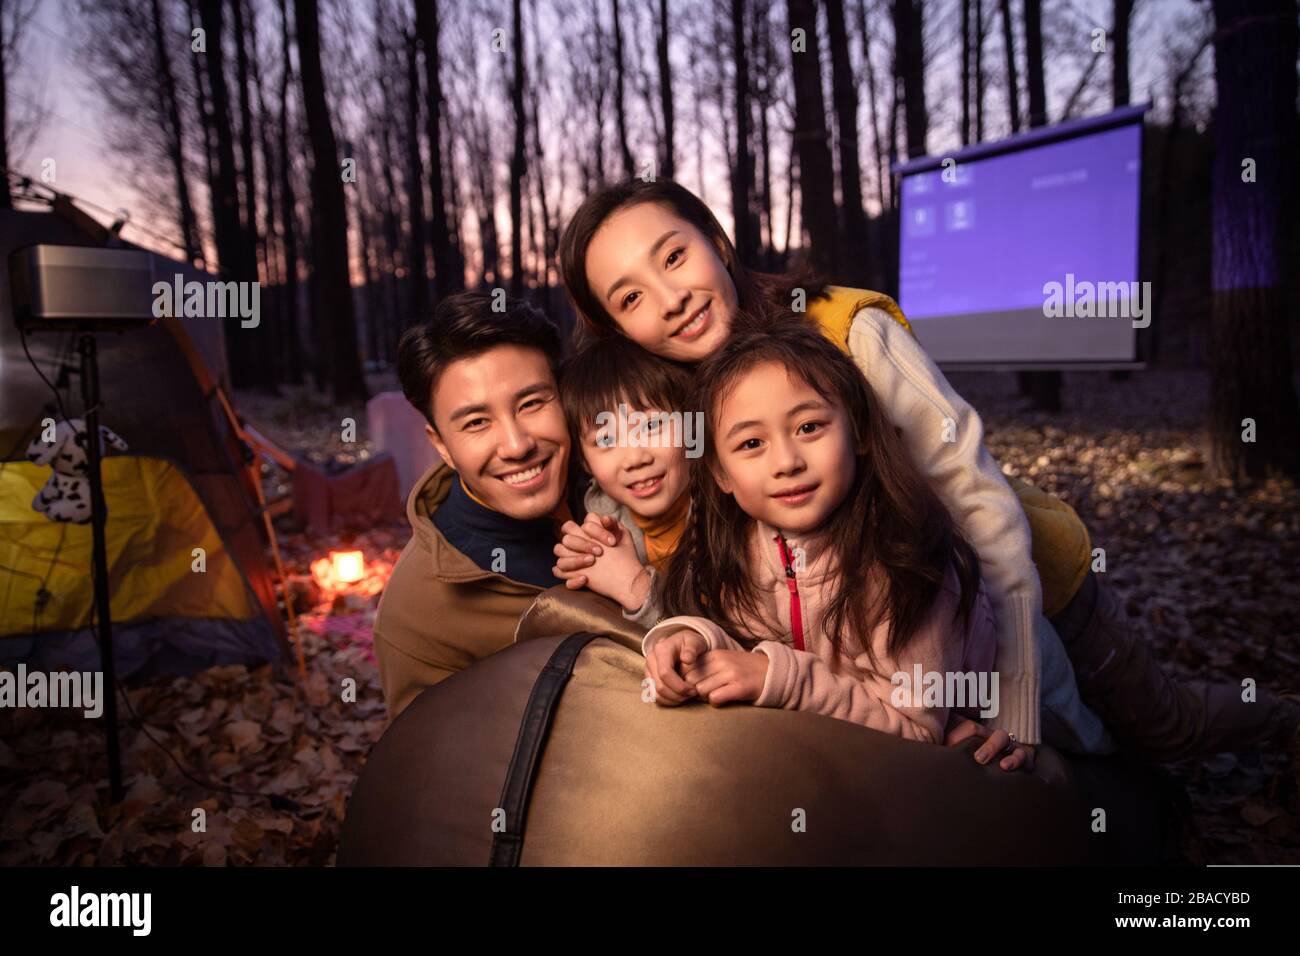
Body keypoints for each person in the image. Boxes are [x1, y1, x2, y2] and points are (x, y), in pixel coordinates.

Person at [557, 177, 1300, 768]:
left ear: (718, 242)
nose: (671, 299)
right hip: (899, 647)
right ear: (616, 327)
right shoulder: (686, 391)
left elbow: (976, 502)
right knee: (1072, 771)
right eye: (631, 297)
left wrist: (1009, 697)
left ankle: (1279, 720)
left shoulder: (850, 330)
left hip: (1024, 583)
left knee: (1158, 730)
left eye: (674, 257)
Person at [641, 318, 1003, 744]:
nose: (787, 462)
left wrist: (783, 679)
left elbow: (916, 737)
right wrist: (693, 641)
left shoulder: (910, 565)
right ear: (721, 473)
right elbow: (749, 657)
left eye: (809, 427)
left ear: (859, 432)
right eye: (752, 444)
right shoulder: (742, 548)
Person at [373, 291, 577, 720]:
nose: (517, 445)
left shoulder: (630, 480)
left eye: (531, 403)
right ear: (441, 445)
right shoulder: (416, 616)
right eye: (477, 422)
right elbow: (430, 758)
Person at [553, 335, 694, 626]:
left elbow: (716, 643)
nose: (634, 458)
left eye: (652, 425)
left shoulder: (736, 518)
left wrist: (634, 585)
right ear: (585, 462)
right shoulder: (601, 525)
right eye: (606, 440)